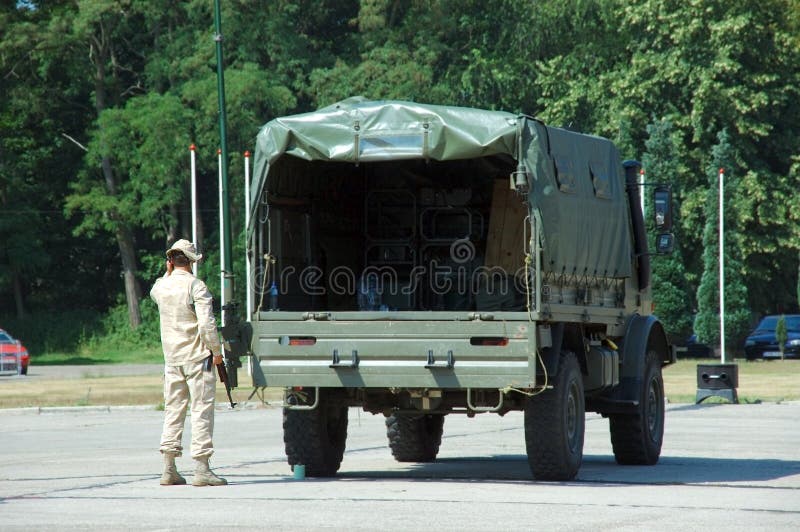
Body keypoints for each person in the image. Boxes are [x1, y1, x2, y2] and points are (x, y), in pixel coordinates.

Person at [150, 239, 227, 487]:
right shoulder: (197, 286)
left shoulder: (161, 287)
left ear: (170, 261)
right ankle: (202, 468)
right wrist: (216, 351)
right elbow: (207, 325)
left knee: (173, 411)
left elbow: (155, 289)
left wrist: (167, 270)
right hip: (197, 358)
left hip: (172, 359)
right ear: (192, 262)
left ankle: (169, 468)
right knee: (201, 411)